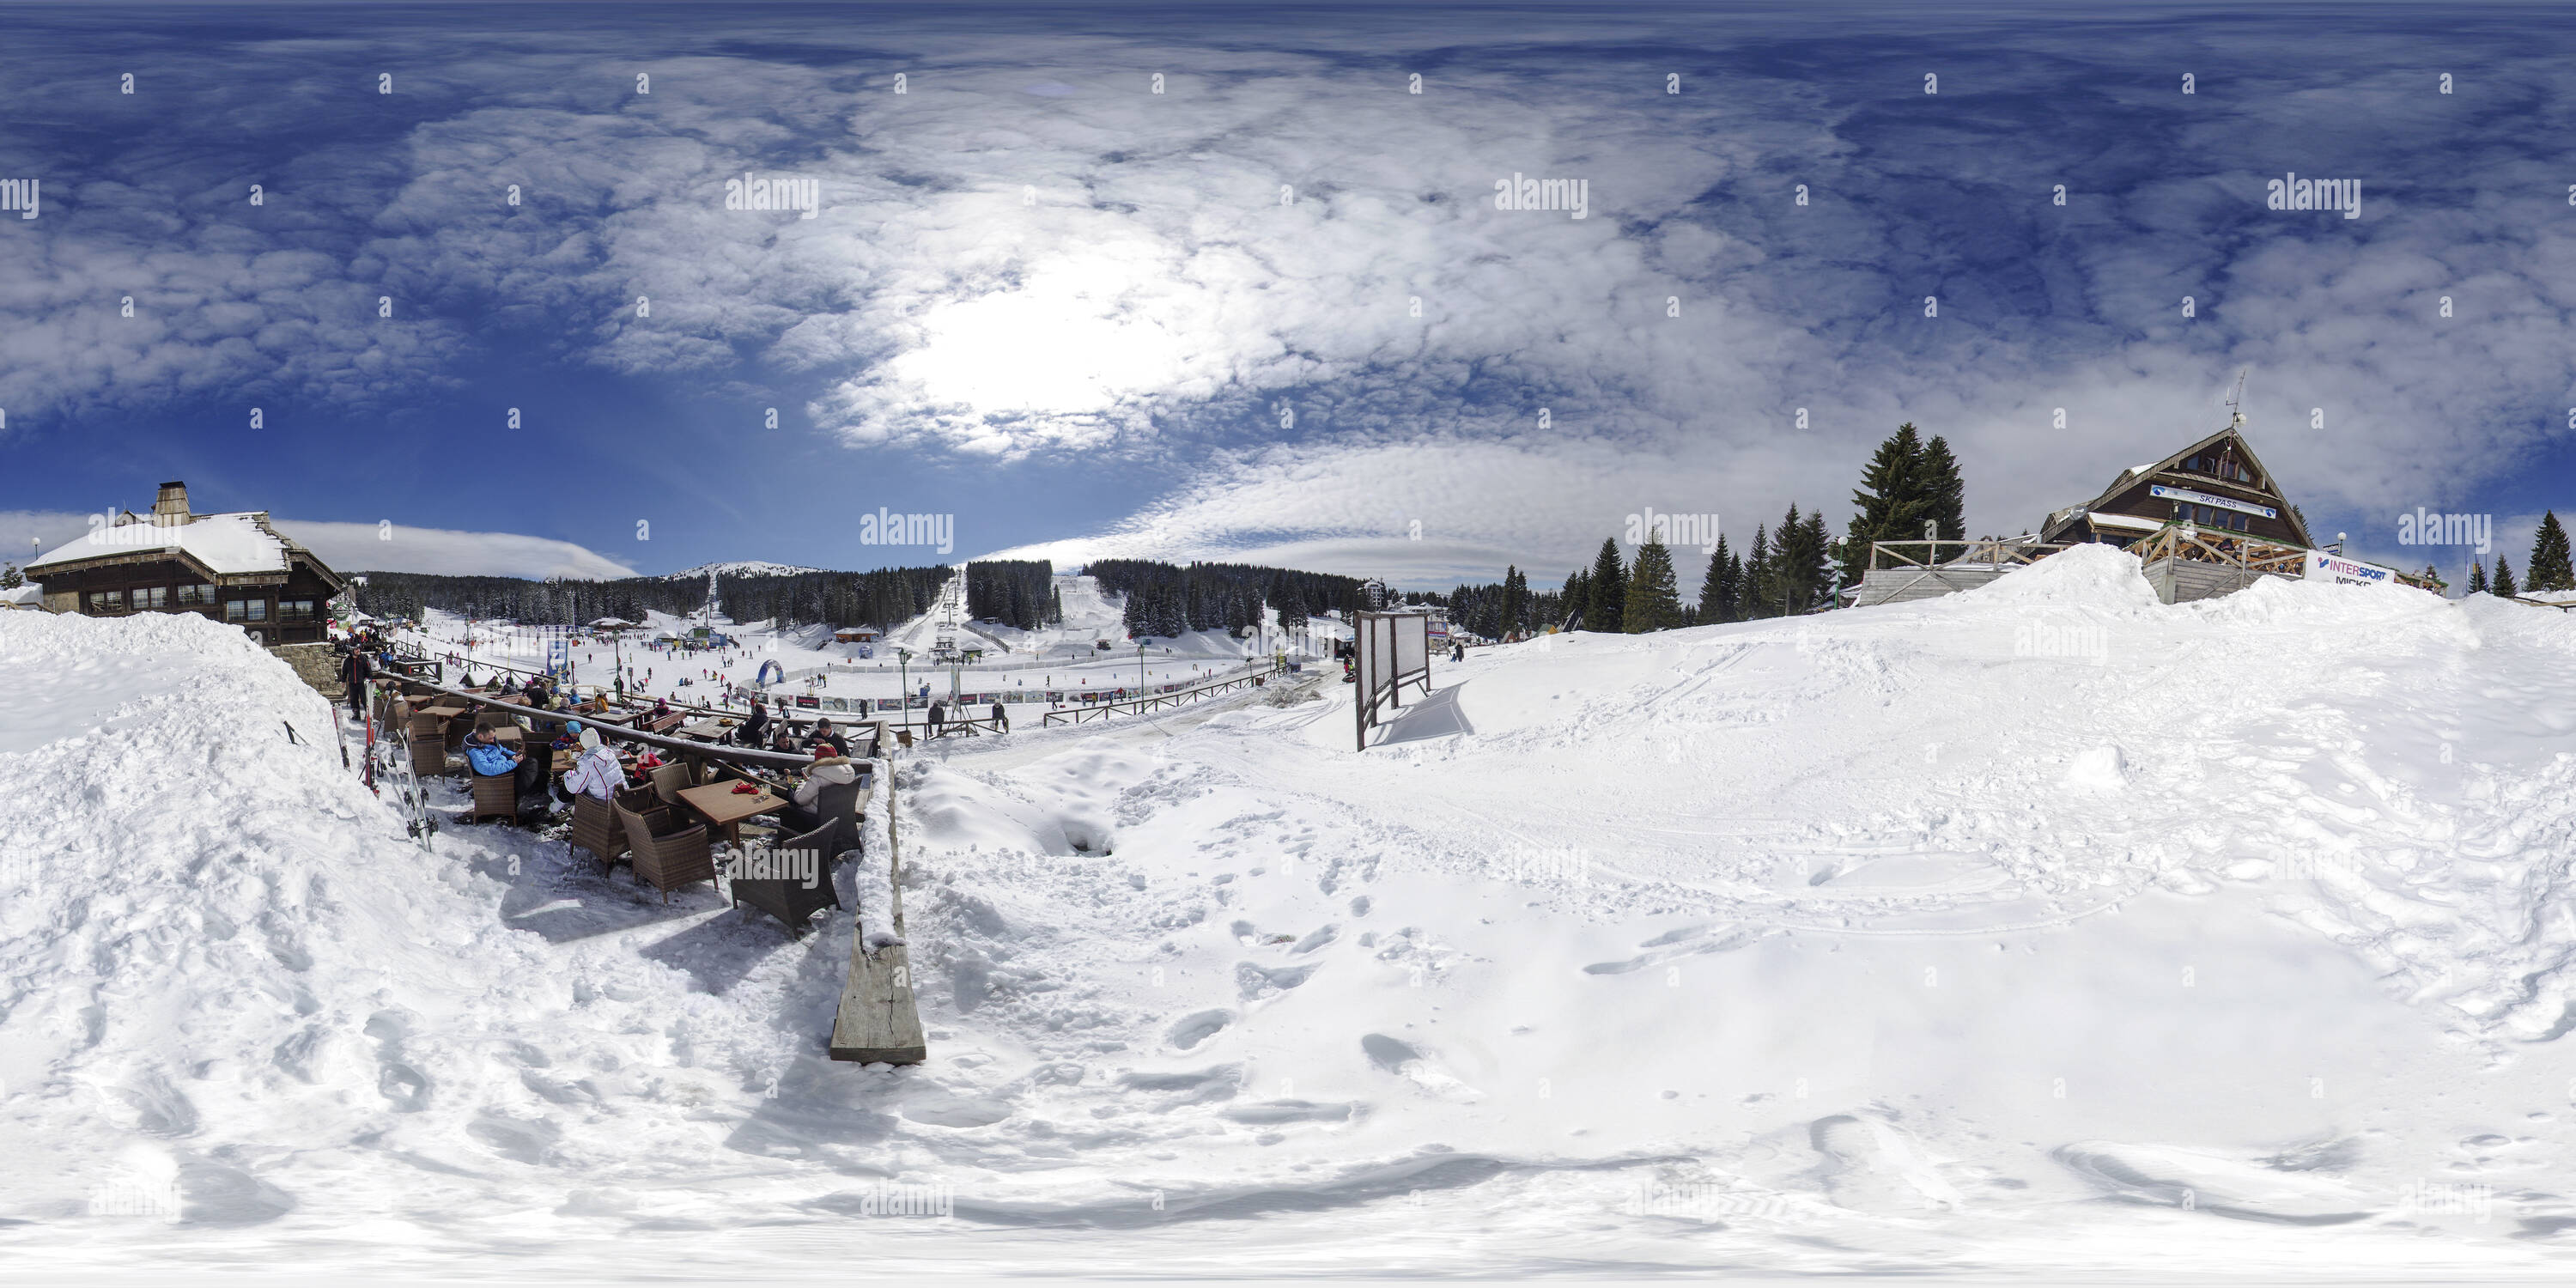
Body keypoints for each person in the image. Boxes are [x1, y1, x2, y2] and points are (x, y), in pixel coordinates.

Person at [781, 747, 864, 853]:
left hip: (818, 819)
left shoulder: (819, 777)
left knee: (787, 805)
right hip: (840, 814)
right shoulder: (848, 773)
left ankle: (790, 843)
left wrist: (803, 783)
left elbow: (800, 800)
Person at [463, 725, 549, 818]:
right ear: (480, 737)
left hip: (504, 768)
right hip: (497, 779)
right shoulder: (475, 752)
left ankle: (535, 798)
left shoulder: (486, 741)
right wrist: (513, 763)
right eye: (491, 738)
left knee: (541, 773)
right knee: (531, 765)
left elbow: (502, 750)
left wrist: (514, 755)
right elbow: (488, 769)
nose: (493, 740)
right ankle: (522, 798)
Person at [560, 728, 623, 803]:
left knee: (568, 787)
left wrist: (568, 774)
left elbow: (574, 789)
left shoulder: (587, 763)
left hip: (604, 804)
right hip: (622, 798)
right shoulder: (609, 752)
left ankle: (553, 809)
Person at [340, 646, 373, 720]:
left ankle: (368, 716)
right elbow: (344, 671)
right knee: (353, 699)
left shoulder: (363, 659)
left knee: (364, 699)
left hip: (362, 682)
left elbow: (368, 670)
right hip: (352, 682)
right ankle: (356, 714)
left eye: (359, 649)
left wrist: (369, 678)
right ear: (352, 650)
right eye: (356, 649)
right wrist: (343, 681)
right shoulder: (348, 660)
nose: (358, 650)